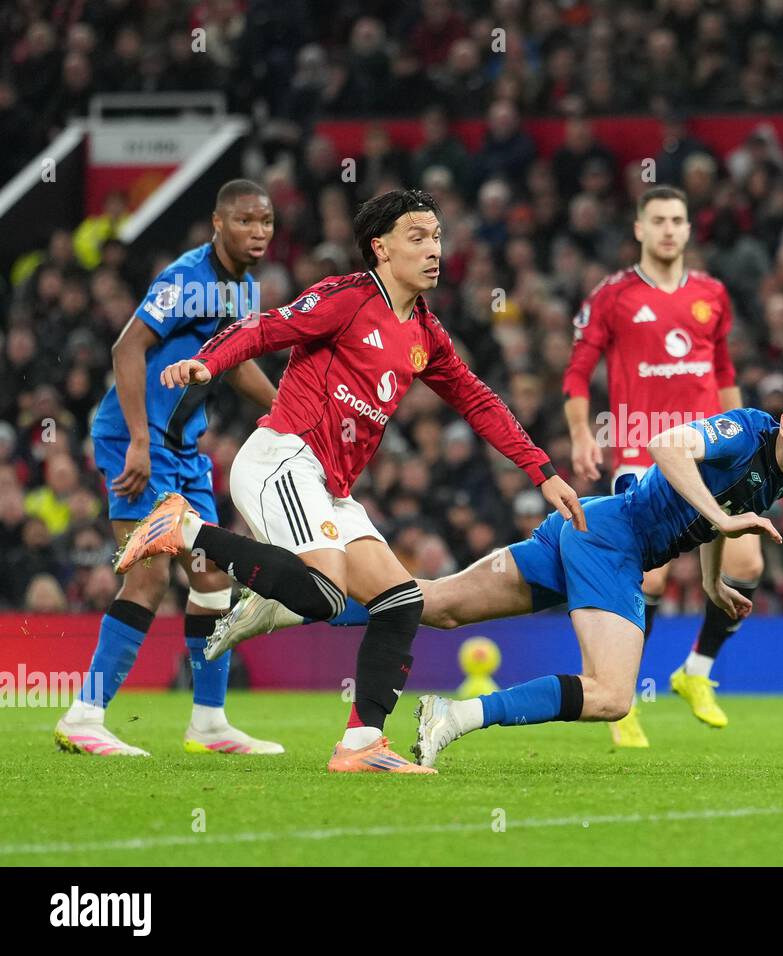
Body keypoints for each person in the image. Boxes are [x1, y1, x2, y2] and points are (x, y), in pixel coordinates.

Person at [115, 188, 583, 774]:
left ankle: (361, 744)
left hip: (329, 486)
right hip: (283, 456)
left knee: (400, 599)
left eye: (437, 236)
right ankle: (183, 527)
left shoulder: (425, 334)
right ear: (380, 248)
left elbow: (477, 399)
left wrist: (542, 472)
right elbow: (266, 328)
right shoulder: (347, 297)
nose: (433, 249)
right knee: (326, 591)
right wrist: (209, 362)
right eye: (418, 236)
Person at [403, 375, 783, 768]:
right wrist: (721, 520)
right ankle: (455, 717)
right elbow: (666, 445)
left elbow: (725, 508)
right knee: (613, 696)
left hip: (588, 525)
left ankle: (341, 586)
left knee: (439, 606)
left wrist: (710, 582)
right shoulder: (745, 430)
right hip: (611, 541)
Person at [55, 180, 285, 759]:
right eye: (245, 221)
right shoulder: (187, 277)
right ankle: (85, 715)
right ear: (217, 222)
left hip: (184, 455)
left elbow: (231, 367)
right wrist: (137, 440)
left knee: (212, 579)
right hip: (137, 444)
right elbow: (126, 349)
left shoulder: (246, 289)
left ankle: (208, 723)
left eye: (266, 222)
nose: (257, 232)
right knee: (151, 574)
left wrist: (290, 412)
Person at [562, 185, 755, 747]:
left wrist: (739, 438)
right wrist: (580, 434)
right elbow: (578, 371)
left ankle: (695, 672)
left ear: (689, 229)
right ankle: (620, 700)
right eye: (659, 220)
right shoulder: (613, 296)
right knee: (652, 575)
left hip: (710, 450)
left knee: (747, 561)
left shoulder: (713, 294)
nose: (670, 229)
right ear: (640, 229)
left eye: (679, 220)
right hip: (640, 449)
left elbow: (723, 373)